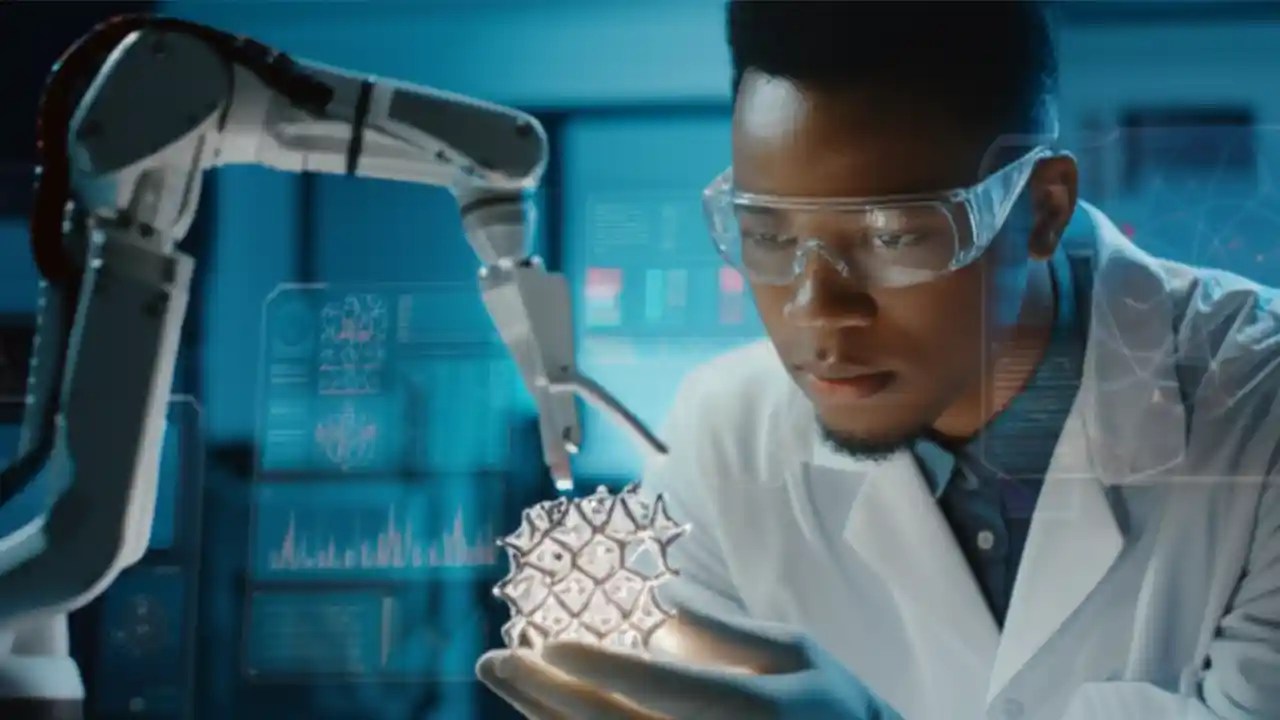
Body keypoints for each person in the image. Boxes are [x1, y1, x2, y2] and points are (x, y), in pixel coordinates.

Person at [477, 2, 1280, 718]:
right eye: (768, 236)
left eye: (895, 237)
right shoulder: (722, 437)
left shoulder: (1259, 403)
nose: (815, 309)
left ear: (1041, 209)